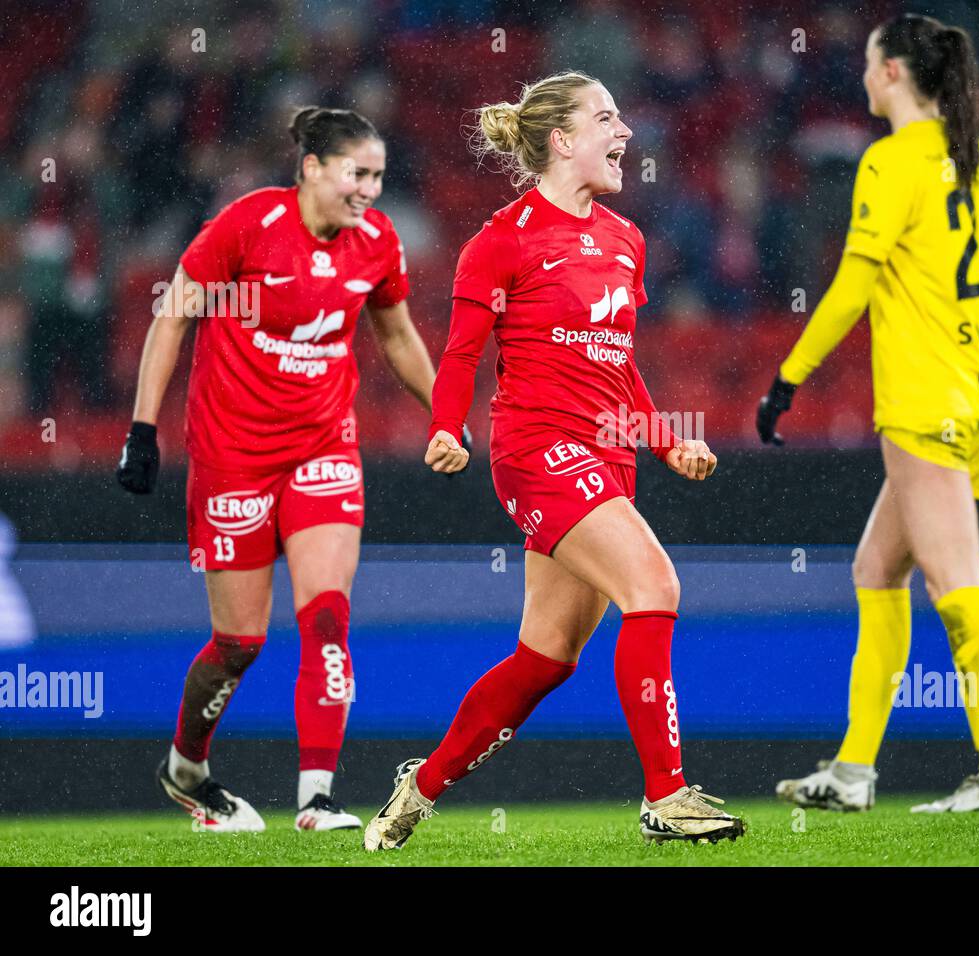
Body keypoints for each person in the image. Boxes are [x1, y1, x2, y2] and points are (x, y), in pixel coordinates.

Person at [363, 72, 744, 850]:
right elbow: (463, 353)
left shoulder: (626, 240)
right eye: (607, 118)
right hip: (537, 450)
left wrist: (668, 439)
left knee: (547, 658)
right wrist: (446, 427)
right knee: (656, 584)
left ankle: (422, 784)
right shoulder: (500, 241)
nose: (625, 132)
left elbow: (619, 367)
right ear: (563, 140)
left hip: (609, 454)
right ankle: (666, 797)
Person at [117, 107, 447, 831]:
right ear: (311, 169)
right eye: (357, 174)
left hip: (323, 449)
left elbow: (396, 334)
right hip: (231, 457)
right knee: (239, 645)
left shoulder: (378, 242)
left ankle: (317, 797)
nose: (369, 190)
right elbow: (174, 314)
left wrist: (447, 413)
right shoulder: (248, 226)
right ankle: (187, 766)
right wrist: (143, 430)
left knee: (327, 614)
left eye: (379, 177)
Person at [759, 14, 979, 814]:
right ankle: (852, 770)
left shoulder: (890, 160)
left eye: (872, 62)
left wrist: (788, 376)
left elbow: (852, 284)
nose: (865, 74)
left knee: (957, 588)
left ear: (896, 74)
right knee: (877, 571)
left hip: (922, 402)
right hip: (974, 394)